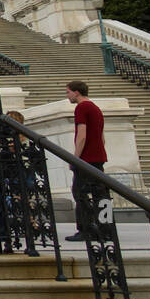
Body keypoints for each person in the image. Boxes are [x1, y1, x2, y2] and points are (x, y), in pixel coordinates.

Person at [65, 81, 107, 241]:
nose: (67, 96)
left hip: (86, 159)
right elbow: (102, 137)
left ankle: (85, 229)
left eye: (68, 92)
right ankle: (106, 228)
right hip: (98, 157)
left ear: (76, 92)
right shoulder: (95, 108)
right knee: (101, 195)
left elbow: (82, 135)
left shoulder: (81, 108)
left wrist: (75, 158)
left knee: (79, 193)